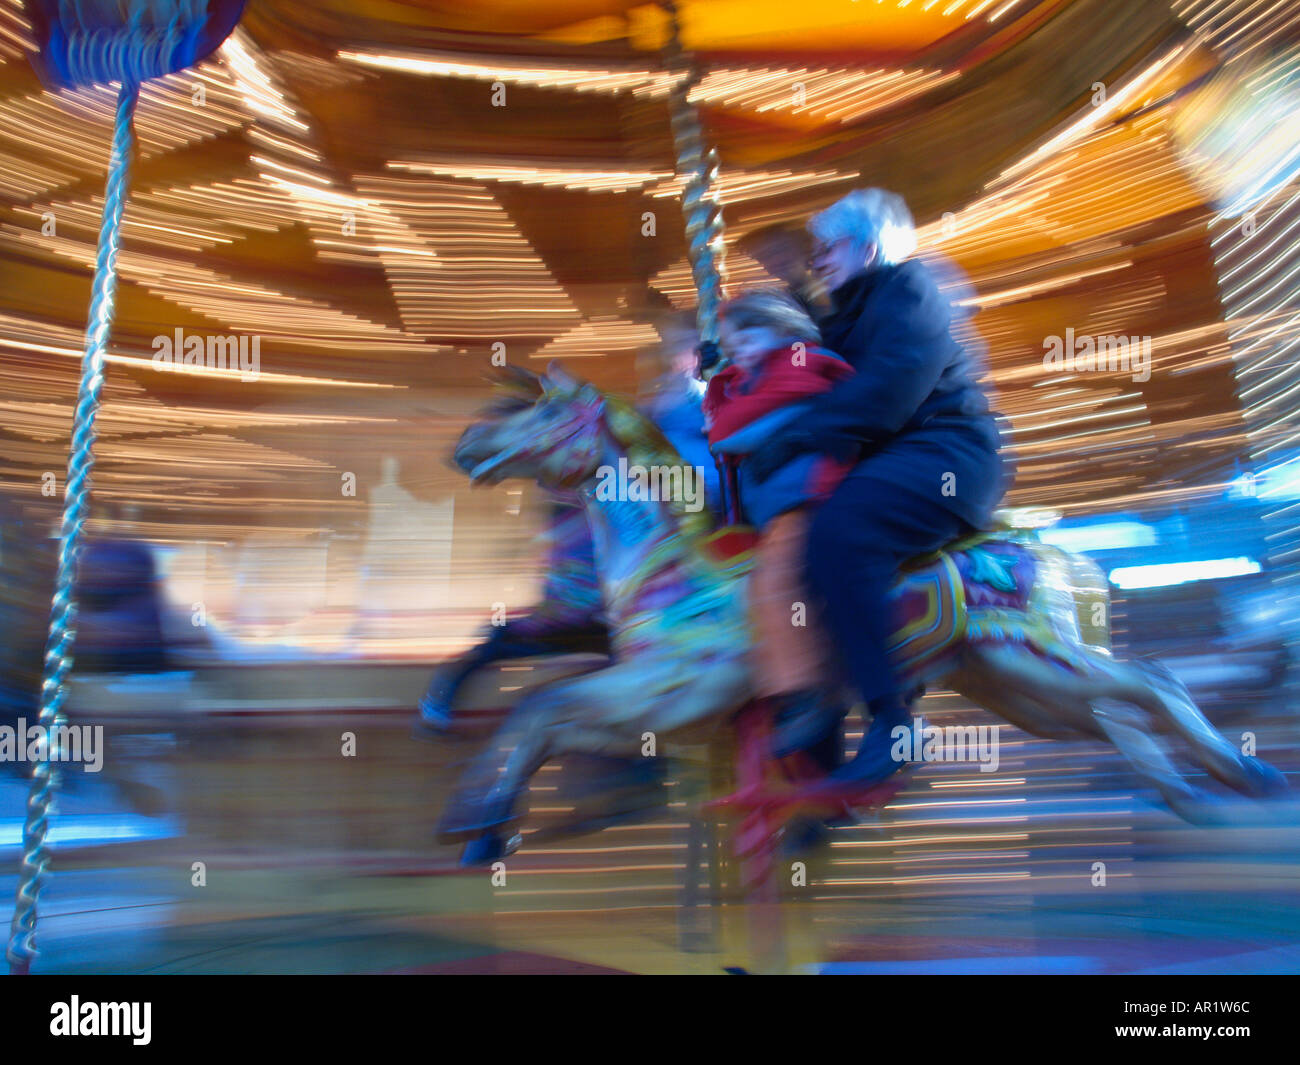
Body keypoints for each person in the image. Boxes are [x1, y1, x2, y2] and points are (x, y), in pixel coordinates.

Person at [748, 188, 1010, 786]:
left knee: (843, 533)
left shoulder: (913, 289)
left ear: (867, 245)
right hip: (901, 455)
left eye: (826, 248)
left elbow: (888, 387)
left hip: (947, 453)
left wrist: (798, 439)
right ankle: (819, 727)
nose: (819, 260)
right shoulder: (856, 306)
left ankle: (895, 722)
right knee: (797, 541)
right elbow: (812, 355)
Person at [703, 289, 853, 761]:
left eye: (748, 333)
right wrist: (720, 380)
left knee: (775, 584)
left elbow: (727, 431)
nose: (738, 347)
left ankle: (808, 693)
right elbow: (722, 423)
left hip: (808, 501)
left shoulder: (802, 364)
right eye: (732, 341)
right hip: (771, 512)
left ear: (784, 328)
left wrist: (725, 387)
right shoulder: (759, 376)